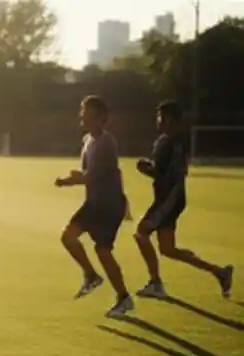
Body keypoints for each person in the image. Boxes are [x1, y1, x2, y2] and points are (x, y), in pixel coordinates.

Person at [131, 101, 234, 300]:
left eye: (160, 117)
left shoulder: (175, 142)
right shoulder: (164, 140)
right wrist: (150, 170)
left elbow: (176, 175)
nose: (158, 121)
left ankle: (156, 284)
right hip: (166, 198)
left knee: (141, 233)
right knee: (168, 250)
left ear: (169, 119)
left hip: (169, 199)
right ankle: (220, 272)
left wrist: (153, 173)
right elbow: (163, 173)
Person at [54, 95, 135, 319]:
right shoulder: (88, 140)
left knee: (102, 250)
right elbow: (88, 176)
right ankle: (91, 276)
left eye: (88, 114)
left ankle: (124, 298)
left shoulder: (106, 142)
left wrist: (74, 179)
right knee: (68, 237)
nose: (83, 117)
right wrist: (68, 180)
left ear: (101, 118)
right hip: (94, 202)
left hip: (109, 205)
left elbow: (94, 176)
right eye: (82, 112)